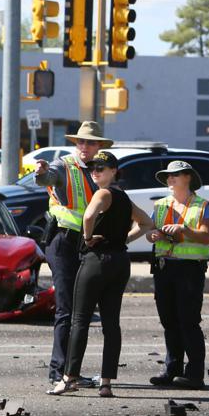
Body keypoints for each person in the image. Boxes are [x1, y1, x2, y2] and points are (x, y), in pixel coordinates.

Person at [50, 152, 154, 397]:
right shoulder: (124, 197)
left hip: (96, 261)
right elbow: (147, 222)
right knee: (111, 324)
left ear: (114, 171)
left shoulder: (102, 193)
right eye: (94, 168)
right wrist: (124, 239)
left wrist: (87, 238)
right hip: (120, 261)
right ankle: (106, 382)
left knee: (80, 320)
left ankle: (69, 378)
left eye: (102, 168)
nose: (96, 171)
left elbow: (88, 215)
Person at [34, 121, 111, 384]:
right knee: (66, 308)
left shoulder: (99, 172)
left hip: (87, 244)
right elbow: (46, 177)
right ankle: (59, 373)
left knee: (82, 310)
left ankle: (71, 372)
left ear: (99, 146)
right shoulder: (63, 165)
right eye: (81, 142)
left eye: (90, 142)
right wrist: (41, 172)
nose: (84, 147)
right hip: (63, 241)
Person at [147, 159, 209, 389]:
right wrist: (154, 236)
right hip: (164, 267)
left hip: (190, 269)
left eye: (174, 175)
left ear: (188, 177)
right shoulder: (161, 205)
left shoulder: (202, 205)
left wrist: (184, 230)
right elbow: (151, 233)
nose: (170, 178)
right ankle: (172, 369)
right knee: (169, 321)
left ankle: (195, 374)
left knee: (188, 321)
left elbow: (207, 237)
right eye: (168, 176)